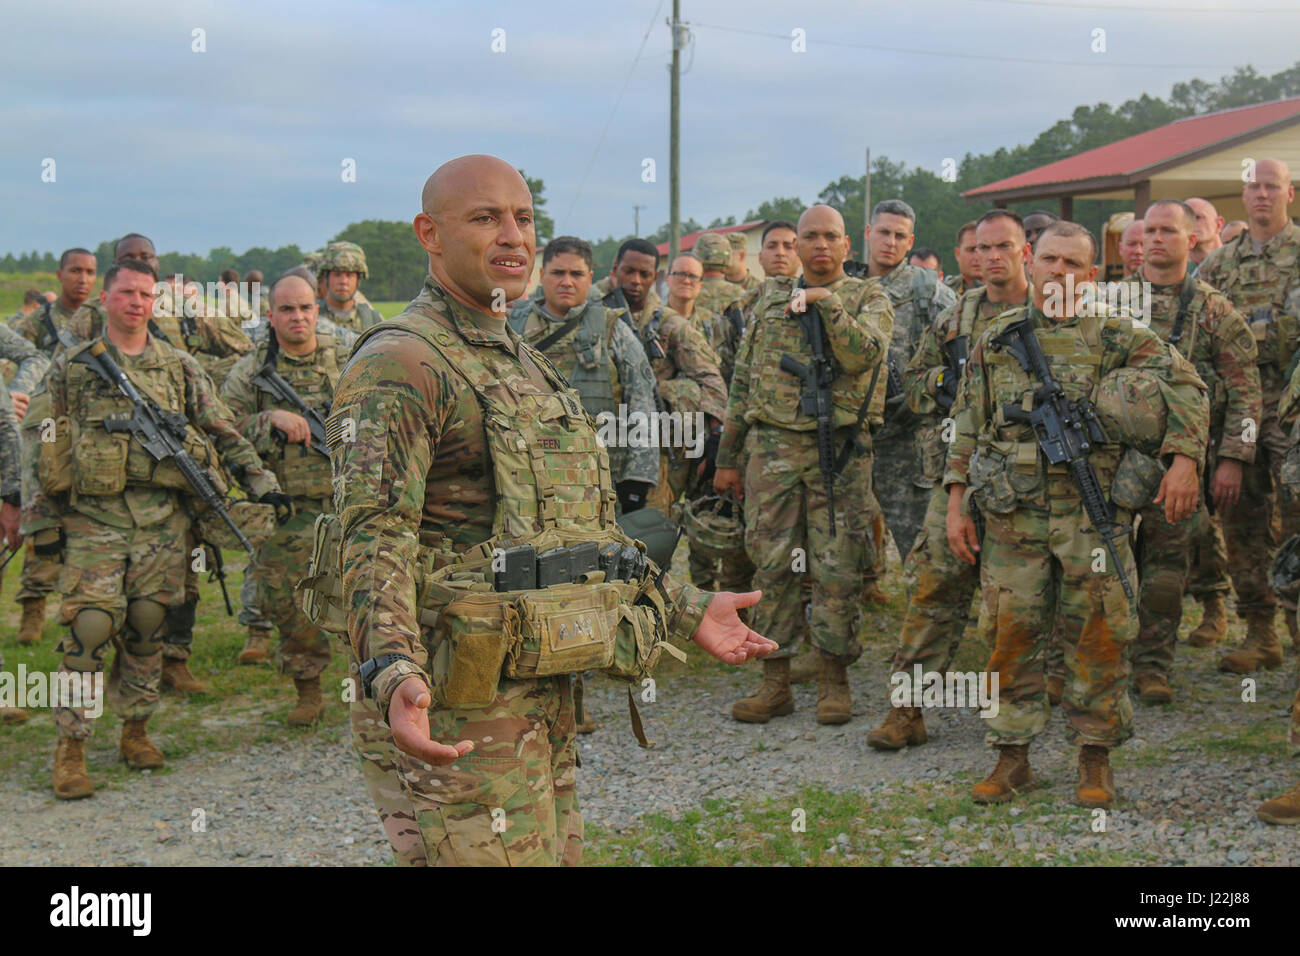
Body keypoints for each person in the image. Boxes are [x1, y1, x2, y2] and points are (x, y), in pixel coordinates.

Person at [326, 154, 775, 865]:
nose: (513, 236)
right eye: (484, 218)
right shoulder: (403, 361)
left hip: (540, 680)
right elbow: (373, 531)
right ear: (429, 233)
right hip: (457, 697)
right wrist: (390, 668)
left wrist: (688, 606)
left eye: (524, 218)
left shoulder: (520, 358)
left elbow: (582, 537)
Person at [945, 221, 1207, 808]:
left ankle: (1095, 756)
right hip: (1013, 514)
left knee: (1101, 633)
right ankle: (1012, 757)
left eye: (1074, 264)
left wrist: (1184, 458)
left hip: (1093, 514)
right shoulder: (997, 337)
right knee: (1010, 633)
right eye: (1051, 260)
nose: (1060, 273)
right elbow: (969, 419)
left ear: (1091, 275)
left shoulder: (1117, 334)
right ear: (1031, 262)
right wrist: (955, 500)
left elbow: (1188, 385)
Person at [25, 259, 284, 799]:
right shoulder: (72, 367)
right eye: (126, 293)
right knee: (89, 630)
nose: (137, 303)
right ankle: (71, 747)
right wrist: (38, 519)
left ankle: (135, 730)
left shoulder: (178, 366)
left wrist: (257, 477)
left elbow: (220, 427)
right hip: (95, 520)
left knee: (148, 625)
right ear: (106, 296)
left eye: (146, 294)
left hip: (163, 523)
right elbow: (40, 440)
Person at [715, 203, 894, 726]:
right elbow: (744, 379)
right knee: (771, 564)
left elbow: (867, 355)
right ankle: (775, 680)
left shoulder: (869, 297)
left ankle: (833, 680)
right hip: (772, 451)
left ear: (846, 246)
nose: (819, 246)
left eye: (829, 237)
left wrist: (827, 305)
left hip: (838, 453)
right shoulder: (769, 299)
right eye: (809, 237)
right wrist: (729, 457)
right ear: (795, 244)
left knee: (836, 567)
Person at [867, 209, 1032, 750]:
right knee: (933, 587)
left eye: (1002, 247)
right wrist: (947, 384)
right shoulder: (956, 317)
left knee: (1019, 601)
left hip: (1030, 481)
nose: (990, 258)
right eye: (981, 248)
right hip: (958, 475)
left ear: (1024, 251)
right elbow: (914, 383)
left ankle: (1022, 715)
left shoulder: (1050, 314)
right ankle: (907, 708)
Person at [1126, 200, 1261, 703]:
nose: (1155, 240)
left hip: (1181, 464)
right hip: (1110, 462)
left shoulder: (1214, 309)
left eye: (1168, 231)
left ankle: (1153, 666)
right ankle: (1088, 661)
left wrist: (1233, 458)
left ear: (1191, 240)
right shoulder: (1107, 303)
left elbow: (1246, 391)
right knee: (1095, 568)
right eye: (1150, 231)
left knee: (1165, 572)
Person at [219, 275, 342, 723]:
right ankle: (308, 689)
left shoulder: (346, 357)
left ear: (317, 310)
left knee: (376, 599)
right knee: (291, 602)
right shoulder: (250, 371)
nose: (298, 317)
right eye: (287, 310)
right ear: (270, 316)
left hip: (353, 501)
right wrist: (268, 417)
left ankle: (381, 692)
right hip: (290, 508)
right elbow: (221, 429)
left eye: (306, 308)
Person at [1199, 158, 1300, 670]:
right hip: (1240, 409)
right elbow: (1200, 340)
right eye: (1253, 187)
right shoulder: (1218, 265)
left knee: (1297, 523)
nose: (1262, 195)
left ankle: (1296, 629)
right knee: (1241, 521)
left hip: (1295, 410)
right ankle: (1260, 633)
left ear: (1289, 193)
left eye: (1271, 186)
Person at [508, 235, 659, 512]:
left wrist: (637, 482)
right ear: (542, 275)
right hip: (523, 481)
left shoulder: (614, 330)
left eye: (576, 273)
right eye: (558, 273)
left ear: (589, 278)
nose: (567, 281)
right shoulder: (512, 326)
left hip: (597, 485)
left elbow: (642, 407)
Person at [864, 199, 956, 581]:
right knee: (839, 548)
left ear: (910, 241)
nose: (890, 241)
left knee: (921, 552)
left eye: (900, 235)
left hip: (908, 441)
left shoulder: (930, 294)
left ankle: (927, 628)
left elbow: (959, 365)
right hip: (849, 439)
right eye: (883, 232)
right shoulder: (847, 290)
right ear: (868, 233)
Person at [12, 248, 98, 645]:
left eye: (90, 272)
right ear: (60, 275)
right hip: (45, 425)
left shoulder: (99, 320)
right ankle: (33, 607)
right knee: (43, 513)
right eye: (75, 271)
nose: (83, 279)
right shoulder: (36, 323)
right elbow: (12, 362)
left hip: (85, 424)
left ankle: (83, 607)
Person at [316, 241, 383, 332]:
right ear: (326, 277)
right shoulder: (312, 317)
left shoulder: (373, 320)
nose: (343, 281)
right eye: (337, 274)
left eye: (349, 275)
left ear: (358, 279)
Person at [1186, 197, 1225, 274]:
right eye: (1183, 219)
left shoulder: (1239, 262)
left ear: (1219, 224)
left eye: (1198, 217)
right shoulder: (1174, 271)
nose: (1189, 224)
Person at [945, 222, 982, 296]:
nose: (977, 257)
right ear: (957, 254)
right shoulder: (944, 293)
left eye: (983, 248)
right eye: (971, 250)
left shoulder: (1008, 292)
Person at [725, 232, 762, 296]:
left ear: (742, 255)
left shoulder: (759, 289)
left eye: (728, 256)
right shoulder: (716, 287)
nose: (723, 260)